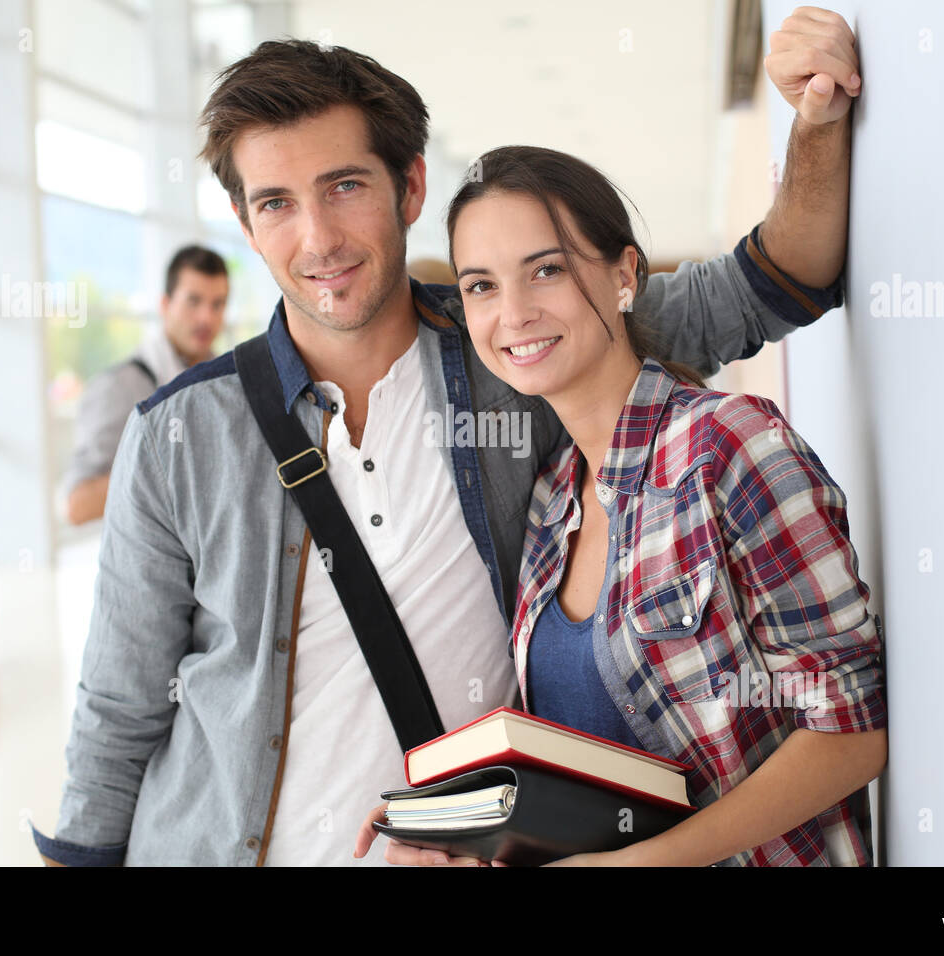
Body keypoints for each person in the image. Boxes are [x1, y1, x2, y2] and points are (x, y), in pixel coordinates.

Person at [31, 7, 864, 866]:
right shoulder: (178, 434)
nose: (317, 238)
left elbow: (769, 281)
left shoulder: (515, 347)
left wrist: (816, 118)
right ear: (245, 226)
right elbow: (118, 710)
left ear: (411, 188)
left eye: (344, 185)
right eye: (276, 203)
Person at [357, 143, 887, 867]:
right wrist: (457, 820)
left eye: (547, 270)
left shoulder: (728, 447)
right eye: (480, 286)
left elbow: (853, 730)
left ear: (625, 275)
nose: (513, 313)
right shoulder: (550, 504)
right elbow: (592, 771)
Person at [62, 244, 229, 524]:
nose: (206, 318)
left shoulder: (228, 384)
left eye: (218, 304)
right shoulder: (119, 387)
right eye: (193, 301)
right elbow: (78, 505)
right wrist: (173, 461)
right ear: (165, 305)